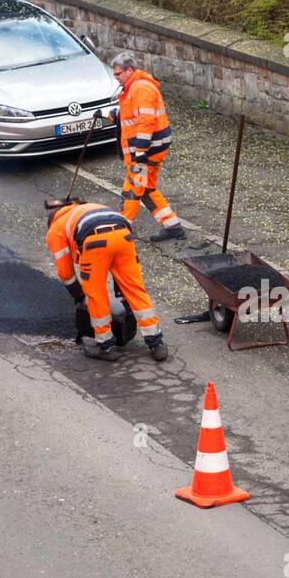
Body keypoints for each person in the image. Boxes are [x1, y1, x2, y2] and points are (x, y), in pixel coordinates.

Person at [45, 197, 169, 362]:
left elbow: (65, 272)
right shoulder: (89, 207)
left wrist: (78, 294)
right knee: (134, 288)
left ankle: (106, 346)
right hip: (124, 235)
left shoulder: (55, 230)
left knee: (96, 294)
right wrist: (120, 288)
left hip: (95, 242)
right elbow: (121, 225)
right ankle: (156, 343)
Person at [110, 52, 185, 242]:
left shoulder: (140, 88)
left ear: (129, 70)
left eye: (118, 74)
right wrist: (111, 115)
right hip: (150, 149)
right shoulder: (134, 87)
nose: (115, 77)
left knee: (133, 188)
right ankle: (173, 226)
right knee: (146, 189)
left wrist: (140, 152)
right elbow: (132, 115)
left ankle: (123, 229)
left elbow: (146, 121)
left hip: (147, 151)